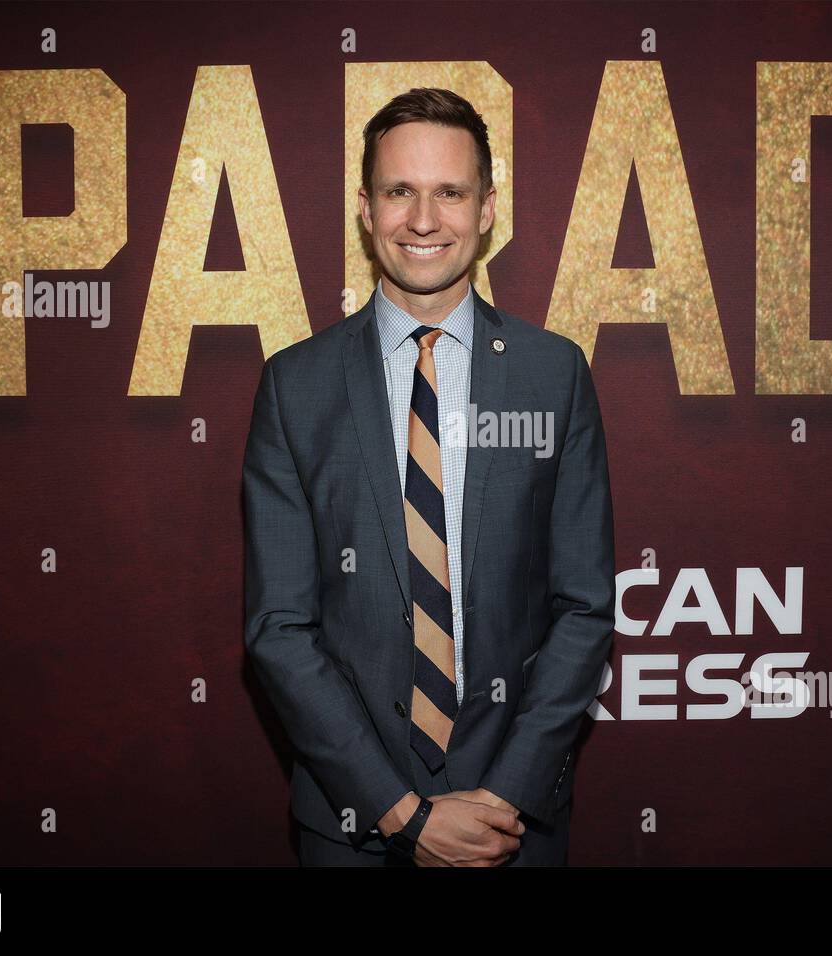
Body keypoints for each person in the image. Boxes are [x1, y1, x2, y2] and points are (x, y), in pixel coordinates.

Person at [242, 87, 614, 866]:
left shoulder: (554, 375)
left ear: (486, 210)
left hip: (511, 825)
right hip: (352, 825)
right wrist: (402, 814)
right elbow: (279, 629)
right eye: (398, 192)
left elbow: (584, 608)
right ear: (365, 208)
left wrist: (503, 797)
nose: (422, 220)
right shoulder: (294, 386)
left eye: (449, 192)